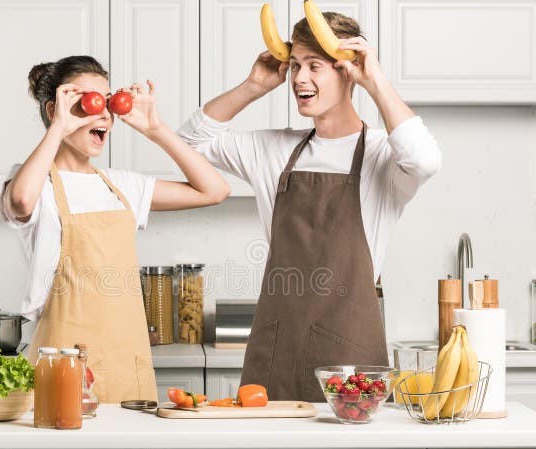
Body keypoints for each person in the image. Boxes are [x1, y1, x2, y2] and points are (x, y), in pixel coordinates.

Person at [178, 12, 442, 402]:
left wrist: (377, 82)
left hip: (348, 356)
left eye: (315, 66)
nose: (299, 79)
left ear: (348, 72)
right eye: (296, 66)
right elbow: (189, 142)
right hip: (275, 349)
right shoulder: (275, 149)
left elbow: (425, 160)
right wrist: (253, 86)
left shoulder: (382, 156)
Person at [0, 56, 230, 403]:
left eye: (107, 102)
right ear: (55, 109)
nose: (104, 113)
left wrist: (156, 129)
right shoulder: (36, 183)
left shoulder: (121, 185)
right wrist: (57, 127)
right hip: (66, 362)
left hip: (128, 360)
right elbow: (20, 201)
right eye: (87, 102)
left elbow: (214, 190)